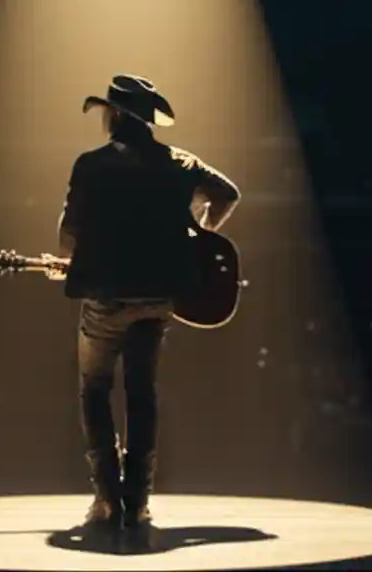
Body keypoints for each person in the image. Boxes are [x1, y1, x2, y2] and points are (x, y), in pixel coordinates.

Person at [43, 74, 240, 533]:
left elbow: (67, 238)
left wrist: (85, 251)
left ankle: (106, 499)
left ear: (114, 115)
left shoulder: (90, 165)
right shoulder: (181, 162)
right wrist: (200, 234)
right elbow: (228, 193)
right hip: (159, 297)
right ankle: (139, 501)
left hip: (106, 301)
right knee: (142, 394)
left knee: (94, 391)